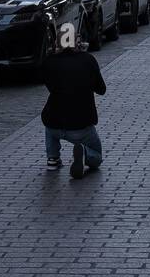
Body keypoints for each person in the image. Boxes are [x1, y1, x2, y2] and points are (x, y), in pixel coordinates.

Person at [40, 34, 106, 179]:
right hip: (80, 125)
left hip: (54, 123)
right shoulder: (88, 60)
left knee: (49, 118)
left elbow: (49, 85)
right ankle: (84, 152)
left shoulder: (49, 61)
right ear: (78, 42)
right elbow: (101, 89)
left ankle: (53, 158)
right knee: (98, 155)